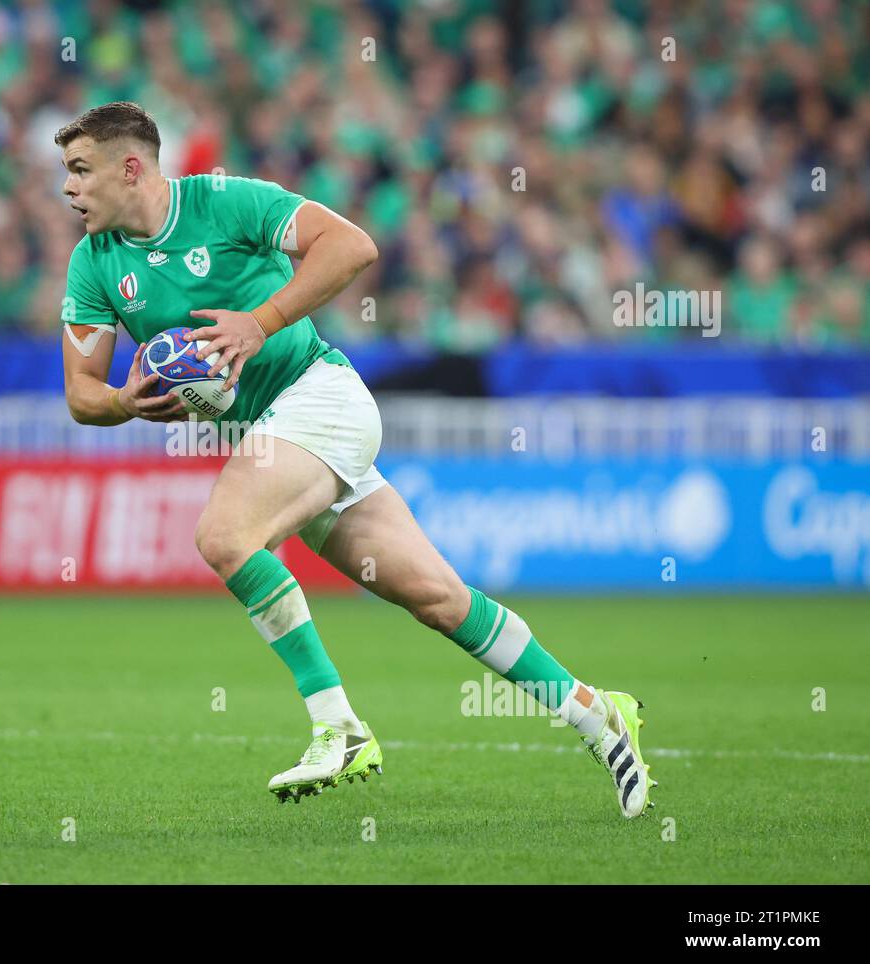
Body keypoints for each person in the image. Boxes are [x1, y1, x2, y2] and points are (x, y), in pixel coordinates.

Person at [56, 102, 655, 816]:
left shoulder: (225, 200)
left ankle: (337, 726)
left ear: (131, 167)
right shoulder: (93, 263)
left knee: (224, 536)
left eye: (80, 170)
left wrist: (259, 322)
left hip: (321, 397)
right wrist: (126, 400)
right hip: (278, 437)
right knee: (441, 600)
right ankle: (598, 712)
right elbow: (82, 394)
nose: (68, 188)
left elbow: (352, 245)